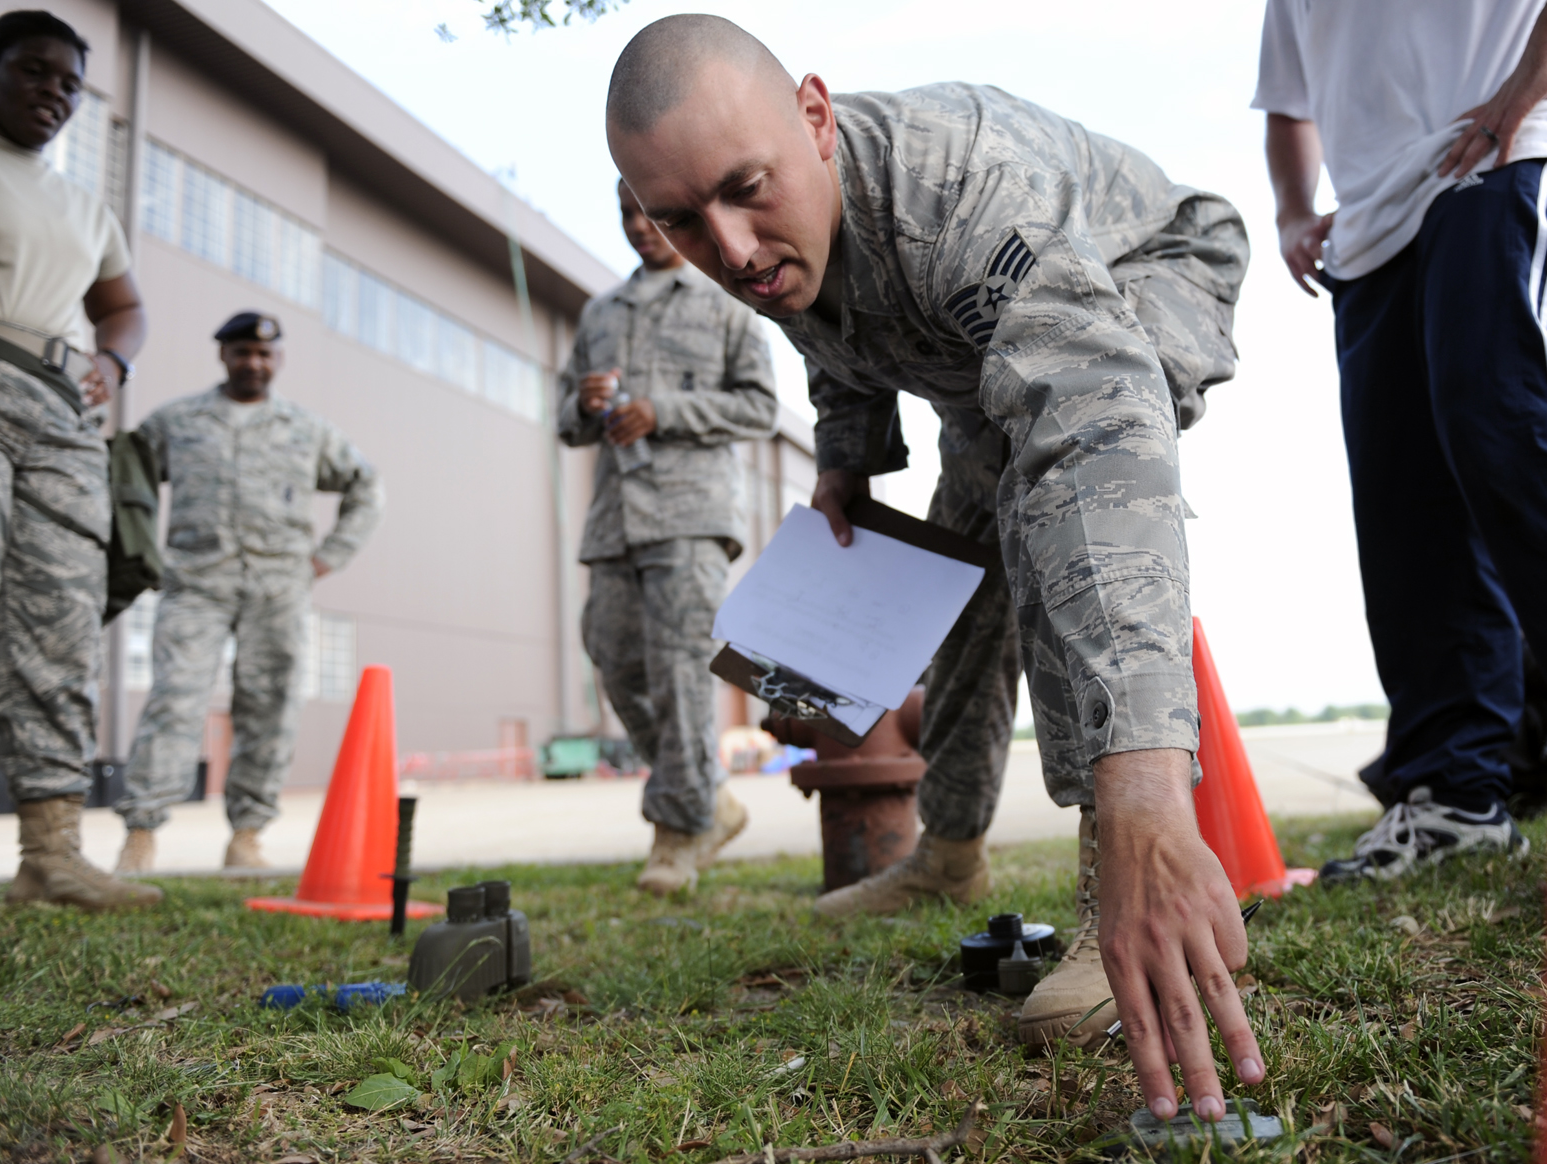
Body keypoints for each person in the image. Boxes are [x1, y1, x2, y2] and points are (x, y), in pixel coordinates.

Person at [606, 16, 1258, 1122]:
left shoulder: (961, 190)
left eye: (746, 189)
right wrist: (846, 470)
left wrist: (1144, 781)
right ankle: (950, 848)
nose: (731, 249)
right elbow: (830, 339)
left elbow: (1095, 448)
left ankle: (1129, 868)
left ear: (815, 117)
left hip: (1147, 275)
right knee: (961, 578)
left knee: (1046, 516)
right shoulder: (769, 236)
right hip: (978, 373)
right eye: (680, 221)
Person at [1254, 1, 1538, 882]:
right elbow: (1287, 103)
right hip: (1369, 233)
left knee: (1499, 427)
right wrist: (1294, 209)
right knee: (1403, 508)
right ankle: (1456, 797)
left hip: (1495, 164)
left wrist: (1514, 102)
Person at [0, 11, 154, 911]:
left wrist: (113, 361)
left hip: (63, 417)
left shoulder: (84, 205)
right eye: (34, 73)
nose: (54, 95)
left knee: (59, 625)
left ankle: (52, 853)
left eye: (70, 84)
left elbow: (124, 306)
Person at [558, 180, 777, 895]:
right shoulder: (600, 312)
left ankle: (678, 833)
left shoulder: (726, 297)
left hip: (689, 516)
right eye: (625, 214)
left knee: (681, 673)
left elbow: (760, 405)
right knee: (615, 654)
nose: (637, 228)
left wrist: (664, 410)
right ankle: (708, 797)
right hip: (617, 517)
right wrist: (585, 405)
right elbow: (566, 419)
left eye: (649, 214)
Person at [113, 313, 383, 872]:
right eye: (242, 353)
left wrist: (327, 557)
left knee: (270, 706)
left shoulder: (307, 430)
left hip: (278, 586)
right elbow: (126, 477)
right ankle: (141, 832)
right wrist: (144, 555)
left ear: (277, 359)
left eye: (264, 354)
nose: (253, 364)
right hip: (195, 583)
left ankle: (247, 834)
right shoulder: (177, 421)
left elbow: (366, 485)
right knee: (175, 700)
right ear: (224, 356)